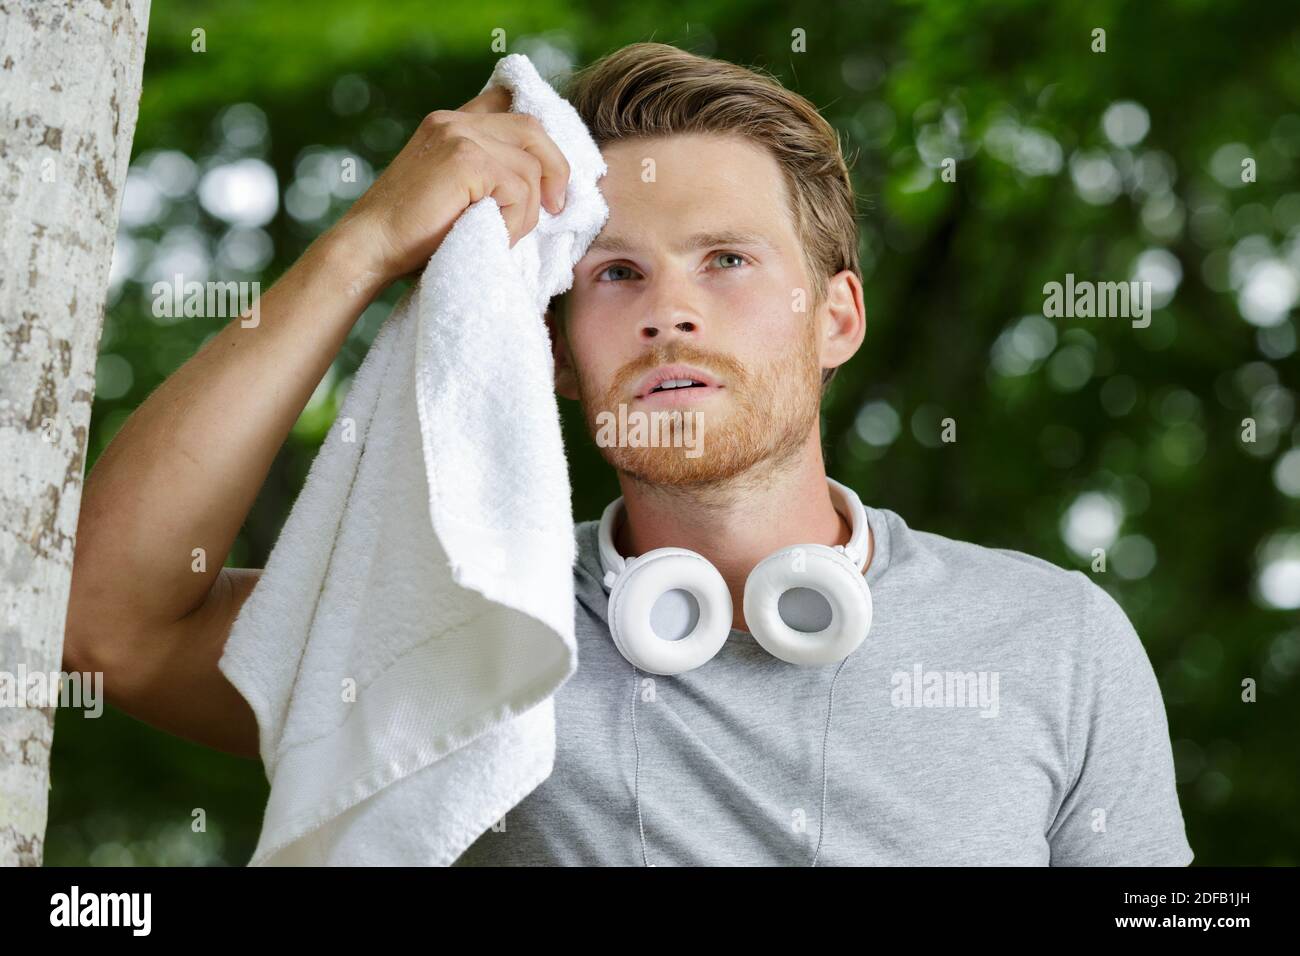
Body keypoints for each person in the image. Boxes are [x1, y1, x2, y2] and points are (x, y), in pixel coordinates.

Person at [64, 42, 1193, 866]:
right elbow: (102, 620)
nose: (670, 313)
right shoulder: (459, 616)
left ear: (837, 318)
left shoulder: (1055, 641)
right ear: (552, 348)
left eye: (728, 260)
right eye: (615, 273)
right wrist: (362, 247)